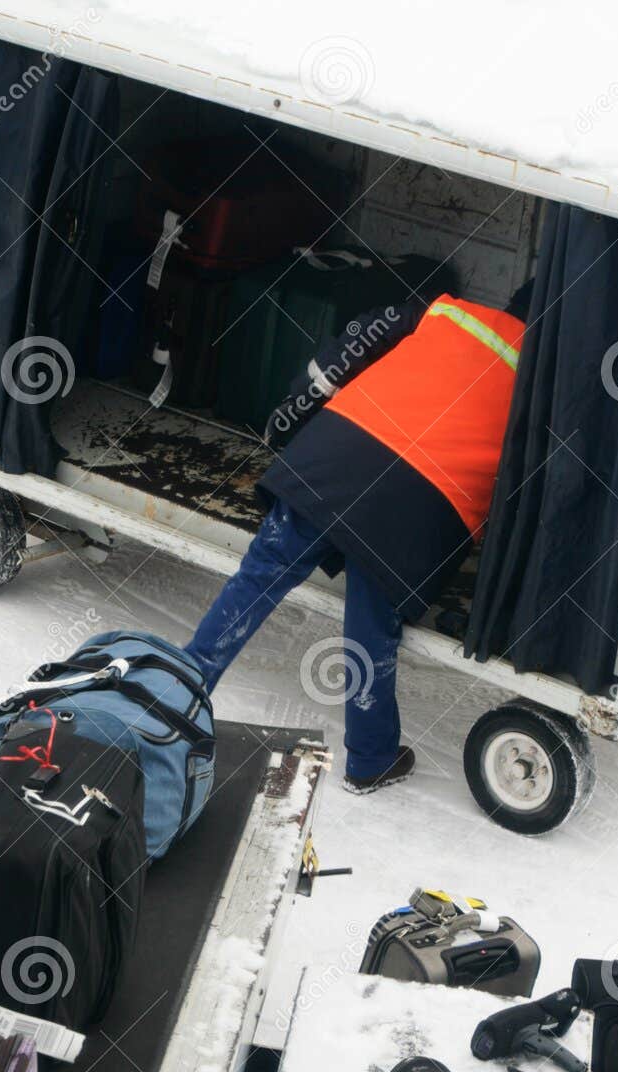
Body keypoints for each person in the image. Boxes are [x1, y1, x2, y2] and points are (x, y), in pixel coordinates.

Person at [186, 274, 534, 793]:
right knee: (373, 625)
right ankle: (370, 760)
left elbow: (348, 349)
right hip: (417, 504)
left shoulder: (444, 311)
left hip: (336, 452)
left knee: (257, 578)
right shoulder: (541, 385)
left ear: (511, 300)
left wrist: (295, 411)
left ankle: (178, 694)